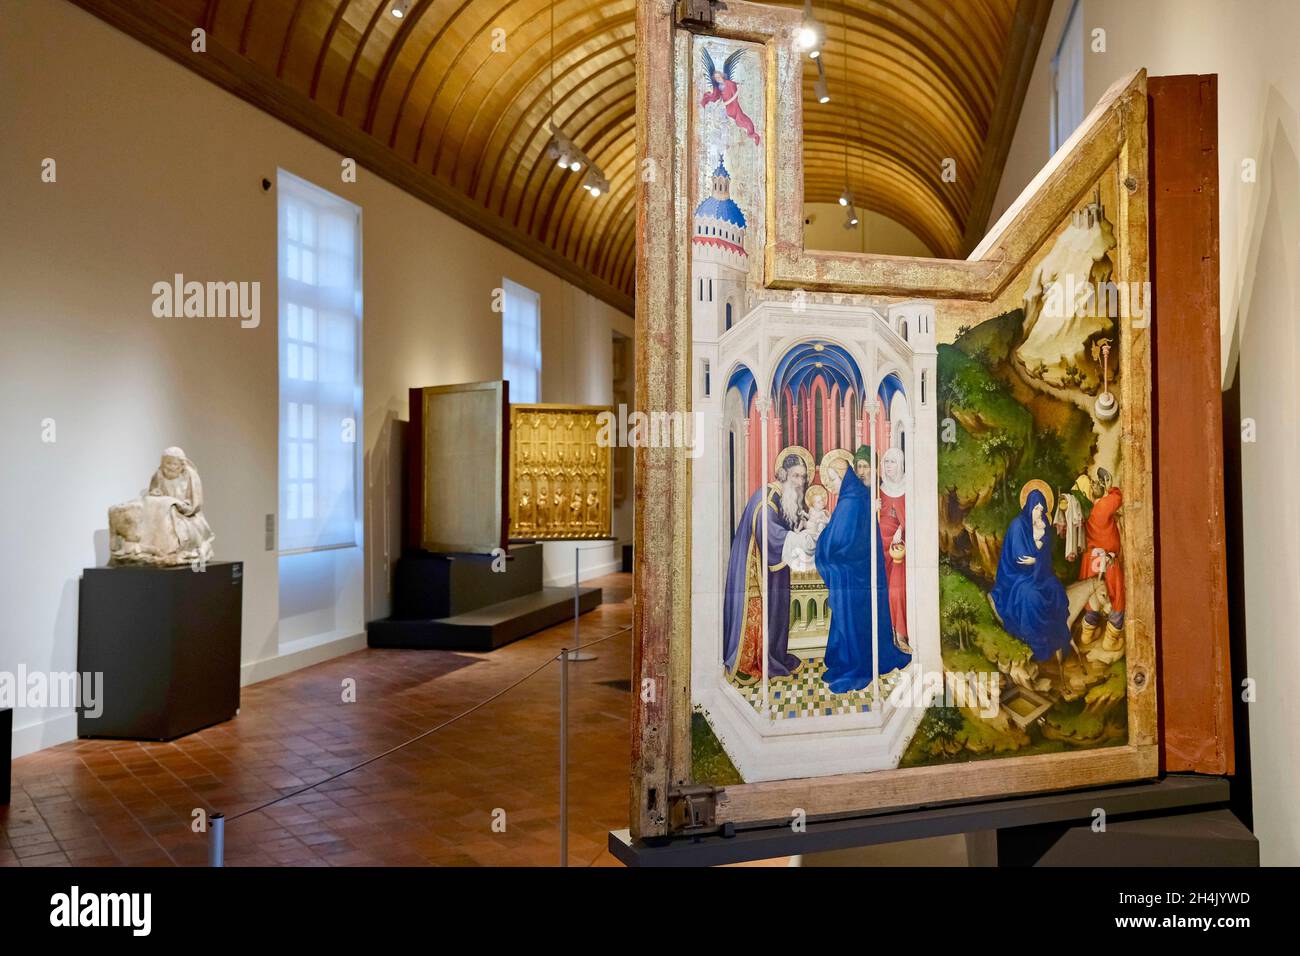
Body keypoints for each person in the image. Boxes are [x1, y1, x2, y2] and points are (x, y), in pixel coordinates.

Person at [815, 467, 910, 693]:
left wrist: (821, 541)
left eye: (834, 479)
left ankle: (854, 664)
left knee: (853, 621)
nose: (832, 484)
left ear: (844, 476)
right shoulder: (859, 497)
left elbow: (838, 540)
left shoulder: (850, 502)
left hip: (850, 575)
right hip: (859, 573)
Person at [722, 452, 810, 682]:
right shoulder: (767, 498)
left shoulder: (780, 497)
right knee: (761, 612)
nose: (800, 482)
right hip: (756, 570)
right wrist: (801, 539)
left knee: (777, 610)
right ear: (783, 474)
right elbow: (771, 534)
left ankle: (773, 655)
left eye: (803, 476)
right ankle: (754, 661)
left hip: (770, 567)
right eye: (795, 476)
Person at [990, 489, 1071, 661]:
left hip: (1039, 573)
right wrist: (1038, 549)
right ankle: (1036, 643)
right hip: (1015, 577)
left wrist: (1038, 555)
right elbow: (1021, 558)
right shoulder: (1018, 526)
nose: (1038, 513)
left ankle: (1055, 637)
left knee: (1055, 588)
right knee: (1030, 596)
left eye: (1041, 510)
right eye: (1036, 509)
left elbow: (1045, 556)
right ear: (1028, 507)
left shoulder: (1043, 526)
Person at [877, 448, 910, 653]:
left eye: (893, 462)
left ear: (901, 464)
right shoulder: (879, 489)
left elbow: (910, 516)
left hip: (900, 547)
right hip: (881, 544)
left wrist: (901, 528)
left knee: (897, 590)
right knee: (883, 589)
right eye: (886, 462)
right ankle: (889, 632)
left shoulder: (908, 487)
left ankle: (901, 633)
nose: (889, 466)